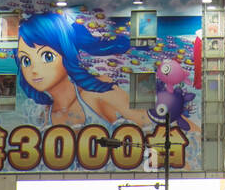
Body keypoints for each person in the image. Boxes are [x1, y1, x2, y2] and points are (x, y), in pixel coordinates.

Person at [14, 12, 149, 128]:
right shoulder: (44, 114)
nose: (34, 70)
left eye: (47, 56)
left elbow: (149, 128)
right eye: (26, 61)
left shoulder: (98, 92)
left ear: (67, 52)